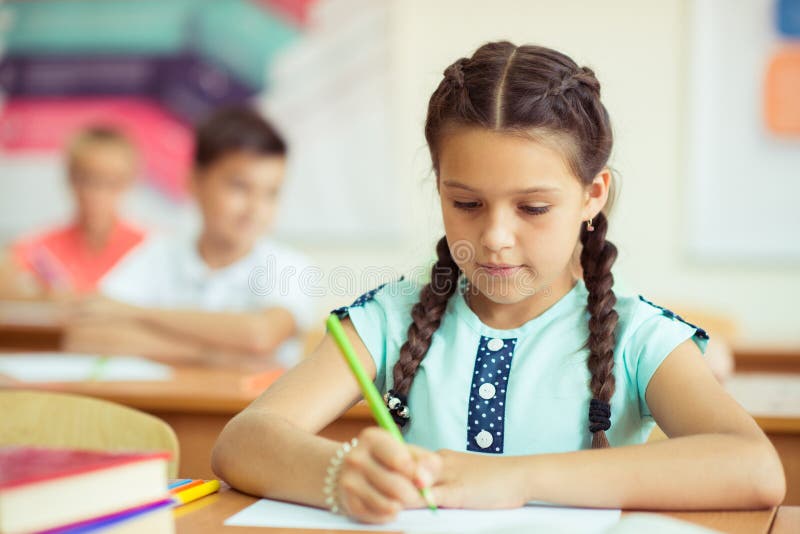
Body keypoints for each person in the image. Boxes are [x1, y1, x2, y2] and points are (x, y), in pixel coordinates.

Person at [211, 42, 785, 522]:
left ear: (592, 194)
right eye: (466, 202)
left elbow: (754, 469)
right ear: (438, 186)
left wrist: (514, 478)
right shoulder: (392, 316)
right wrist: (339, 475)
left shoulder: (638, 336)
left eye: (533, 208)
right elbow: (242, 441)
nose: (495, 238)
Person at [66, 107, 314, 368]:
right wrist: (210, 355)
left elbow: (261, 335)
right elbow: (85, 335)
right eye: (239, 187)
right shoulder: (158, 253)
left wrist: (137, 315)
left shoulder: (290, 266)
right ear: (194, 182)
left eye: (271, 193)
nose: (255, 209)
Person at [0, 126, 144, 298]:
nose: (96, 194)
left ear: (128, 182)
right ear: (70, 178)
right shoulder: (40, 248)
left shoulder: (147, 249)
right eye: (87, 179)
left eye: (111, 182)